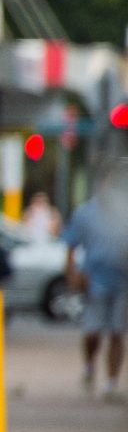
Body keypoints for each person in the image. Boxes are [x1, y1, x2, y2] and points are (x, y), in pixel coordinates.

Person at [65, 163, 128, 397]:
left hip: (122, 281)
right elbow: (70, 246)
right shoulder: (85, 213)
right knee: (93, 332)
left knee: (117, 333)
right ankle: (89, 365)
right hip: (94, 280)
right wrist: (72, 274)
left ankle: (111, 383)